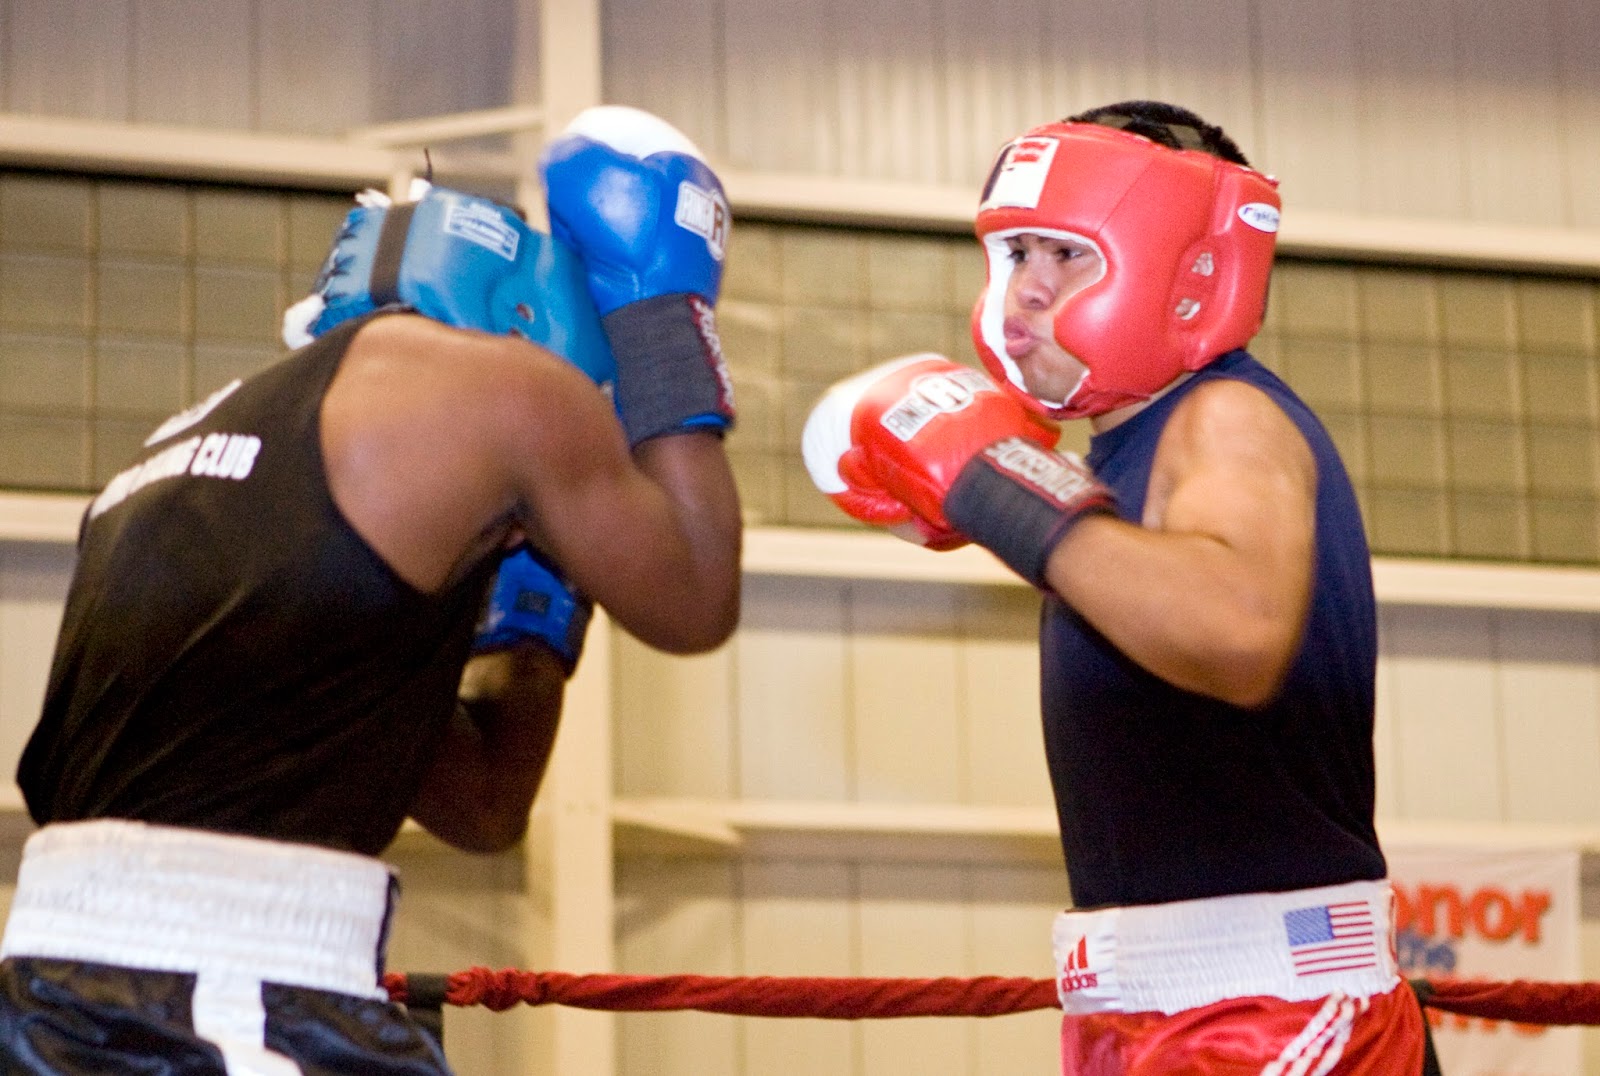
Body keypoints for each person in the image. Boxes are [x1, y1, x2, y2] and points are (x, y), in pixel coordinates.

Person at [0, 104, 741, 1074]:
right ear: (526, 319)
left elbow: (482, 805)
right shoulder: (506, 388)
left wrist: (529, 609)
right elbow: (695, 597)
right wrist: (660, 313)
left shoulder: (194, 449)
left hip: (60, 981)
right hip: (221, 983)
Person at [803, 101, 1428, 1073]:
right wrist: (1014, 488)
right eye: (1015, 253)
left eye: (1067, 254)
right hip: (1141, 998)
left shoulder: (1226, 417)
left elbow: (1240, 629)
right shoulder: (1115, 463)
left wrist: (993, 485)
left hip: (1268, 1003)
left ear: (1191, 271)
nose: (1026, 289)